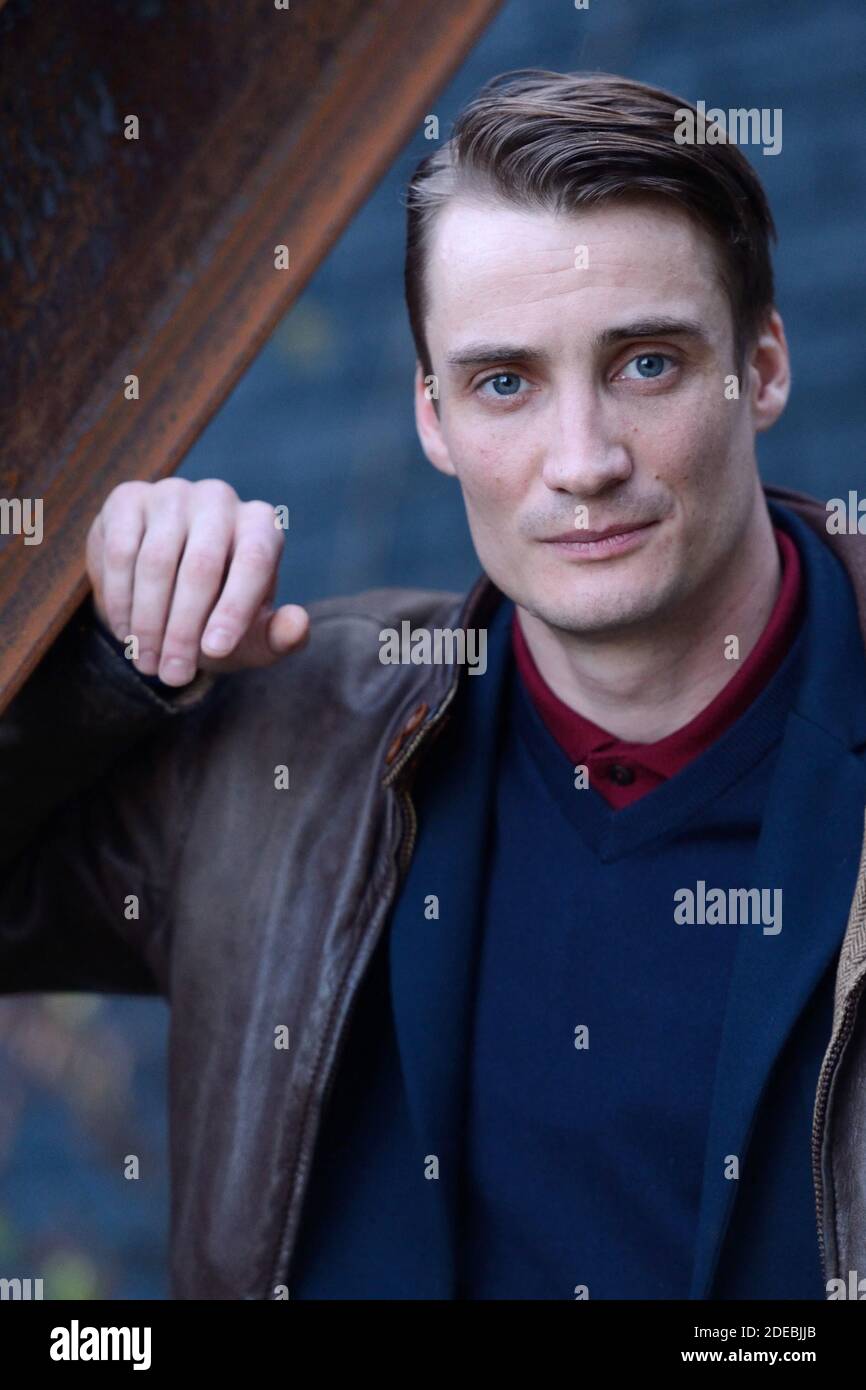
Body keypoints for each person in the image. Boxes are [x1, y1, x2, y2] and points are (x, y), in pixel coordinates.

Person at [3, 69, 865, 1301]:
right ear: (432, 416)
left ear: (762, 367)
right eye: (503, 382)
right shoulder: (287, 738)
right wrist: (99, 660)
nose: (581, 463)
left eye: (645, 364)